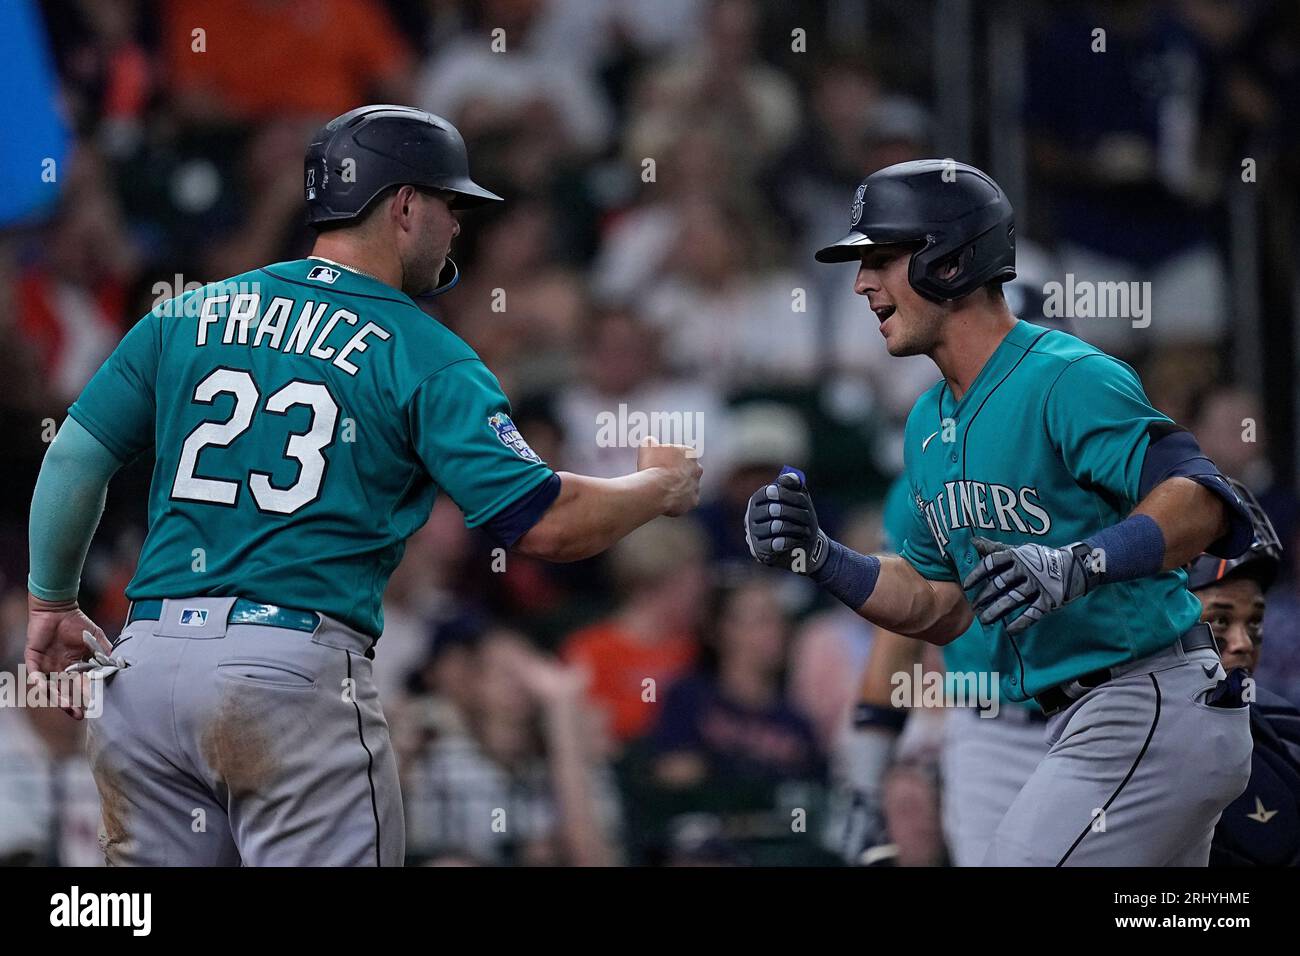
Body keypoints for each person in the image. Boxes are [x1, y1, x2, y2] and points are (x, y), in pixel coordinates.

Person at [24, 105, 701, 866]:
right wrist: (657, 489)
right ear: (405, 204)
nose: (457, 227)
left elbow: (75, 456)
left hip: (144, 667)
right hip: (286, 670)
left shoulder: (190, 310)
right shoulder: (422, 350)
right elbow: (547, 523)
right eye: (451, 205)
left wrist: (51, 599)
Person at [746, 158, 1255, 865]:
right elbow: (941, 606)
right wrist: (825, 558)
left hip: (1147, 698)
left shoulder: (1067, 376)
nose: (862, 283)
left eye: (883, 259)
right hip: (1084, 718)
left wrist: (1079, 564)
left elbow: (1201, 502)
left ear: (949, 263)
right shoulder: (927, 423)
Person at [1183, 480, 1300, 867]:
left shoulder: (1288, 738)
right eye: (1218, 621)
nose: (1243, 643)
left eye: (1255, 623)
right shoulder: (1088, 745)